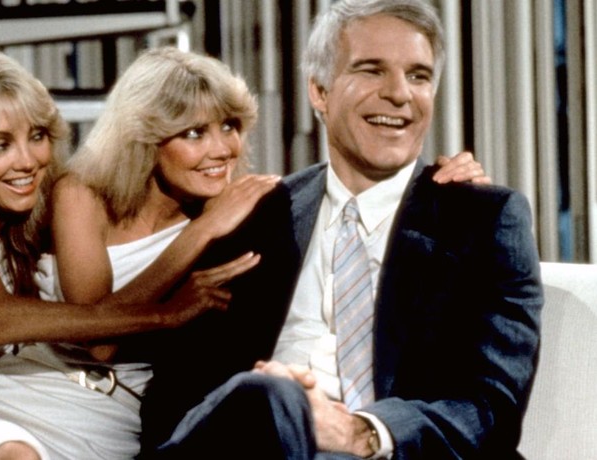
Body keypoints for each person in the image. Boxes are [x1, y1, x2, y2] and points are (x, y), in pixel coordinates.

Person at [139, 1, 543, 459]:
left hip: (390, 452)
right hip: (255, 446)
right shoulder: (257, 215)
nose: (399, 94)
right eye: (372, 70)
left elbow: (490, 406)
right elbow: (179, 394)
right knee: (267, 395)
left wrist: (360, 432)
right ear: (319, 92)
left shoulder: (482, 220)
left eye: (418, 76)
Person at [0, 47, 260, 459]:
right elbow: (2, 319)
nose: (28, 161)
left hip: (33, 408)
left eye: (38, 136)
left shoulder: (29, 204)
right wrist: (166, 309)